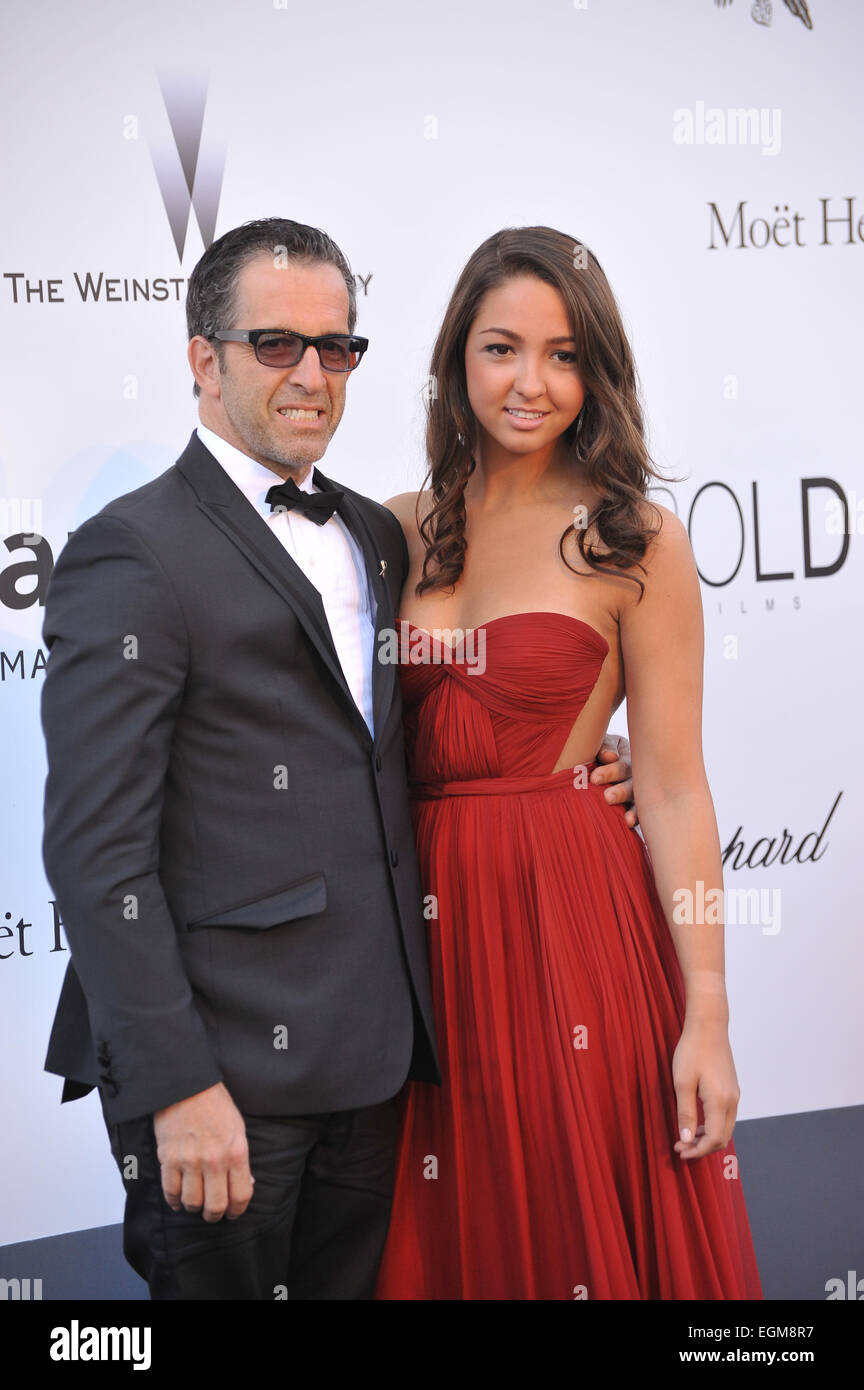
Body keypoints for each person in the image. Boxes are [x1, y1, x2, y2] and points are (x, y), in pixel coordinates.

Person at [39, 217, 635, 1301]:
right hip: (221, 1086)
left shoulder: (383, 535)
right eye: (276, 344)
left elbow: (436, 724)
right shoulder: (131, 550)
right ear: (200, 359)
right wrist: (177, 1087)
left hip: (375, 1065)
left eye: (338, 347)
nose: (312, 374)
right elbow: (94, 856)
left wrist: (592, 753)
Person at [375, 226, 764, 1300]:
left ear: (597, 373)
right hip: (419, 948)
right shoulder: (392, 532)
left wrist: (709, 1015)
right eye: (502, 348)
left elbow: (678, 789)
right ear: (458, 358)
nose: (531, 383)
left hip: (570, 930)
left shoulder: (637, 538)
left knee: (574, 1218)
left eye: (563, 354)